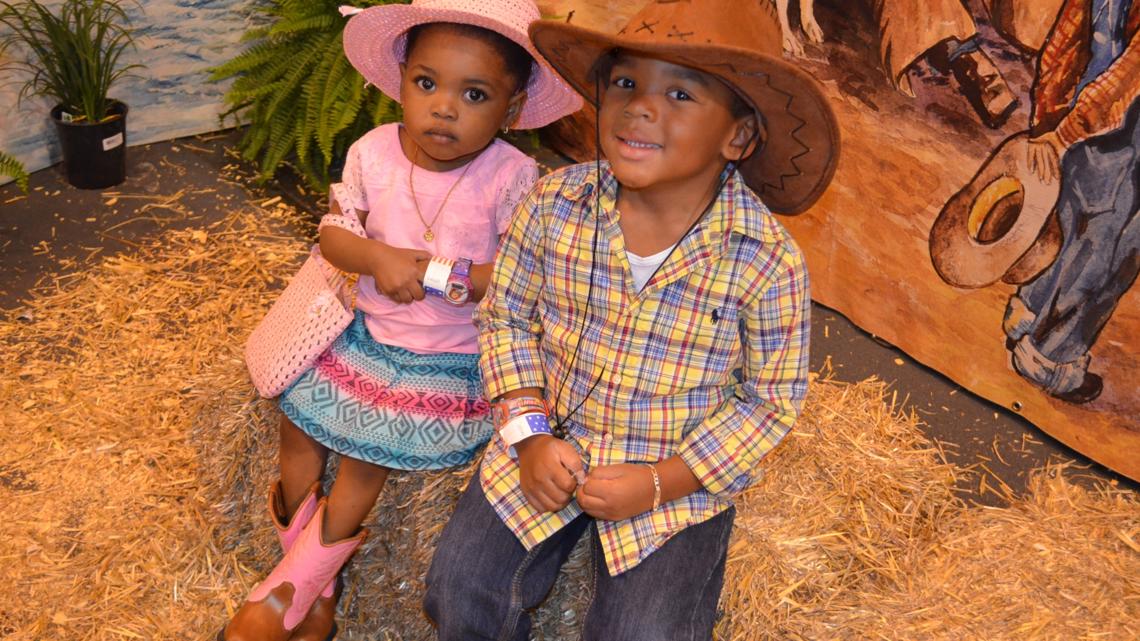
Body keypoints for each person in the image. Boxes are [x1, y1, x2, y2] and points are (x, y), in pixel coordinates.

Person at [422, 1, 840, 639]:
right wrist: (530, 437)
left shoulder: (765, 259)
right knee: (459, 586)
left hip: (673, 475)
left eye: (679, 92)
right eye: (625, 83)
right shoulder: (556, 203)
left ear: (738, 137)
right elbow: (506, 318)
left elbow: (771, 399)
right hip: (547, 439)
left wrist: (660, 482)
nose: (640, 106)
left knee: (645, 631)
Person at [216, 1, 580, 640]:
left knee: (366, 454)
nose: (444, 107)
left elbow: (526, 275)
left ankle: (284, 595)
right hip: (363, 335)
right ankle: (315, 582)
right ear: (401, 78)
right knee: (297, 425)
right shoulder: (373, 152)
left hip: (449, 356)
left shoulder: (514, 178)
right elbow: (334, 235)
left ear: (513, 108)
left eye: (474, 94)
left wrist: (449, 276)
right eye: (427, 83)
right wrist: (377, 257)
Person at [1003, 0, 1140, 403]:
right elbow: (1129, 76)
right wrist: (1061, 131)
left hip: (1088, 107)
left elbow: (1067, 42)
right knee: (1111, 246)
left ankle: (1028, 310)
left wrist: (1054, 121)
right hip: (1116, 119)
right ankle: (1051, 358)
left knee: (1075, 214)